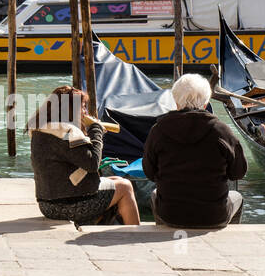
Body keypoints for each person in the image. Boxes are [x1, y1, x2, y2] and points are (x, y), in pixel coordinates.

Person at [142, 74, 247, 227]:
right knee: (237, 197)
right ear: (206, 103)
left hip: (171, 215)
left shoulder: (158, 130)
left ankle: (166, 233)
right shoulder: (221, 131)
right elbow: (238, 172)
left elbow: (149, 172)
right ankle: (226, 238)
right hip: (214, 216)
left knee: (154, 195)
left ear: (176, 101)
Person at [29, 85, 141, 225]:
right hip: (67, 206)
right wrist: (96, 130)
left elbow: (74, 156)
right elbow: (92, 164)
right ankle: (136, 233)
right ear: (71, 109)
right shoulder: (66, 133)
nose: (85, 112)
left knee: (115, 179)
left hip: (47, 205)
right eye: (82, 107)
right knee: (125, 186)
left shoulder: (42, 130)